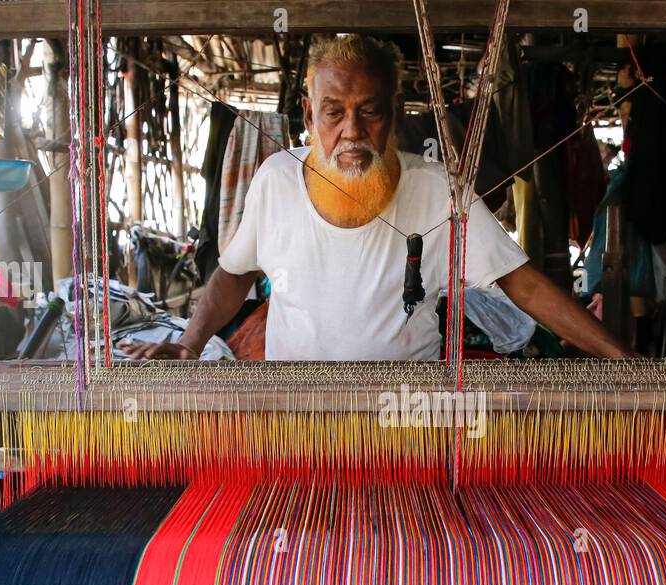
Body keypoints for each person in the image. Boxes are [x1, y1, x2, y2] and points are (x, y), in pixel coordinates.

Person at [121, 34, 633, 362]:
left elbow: (522, 283)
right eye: (333, 112)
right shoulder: (276, 180)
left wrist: (621, 360)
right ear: (307, 113)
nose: (351, 131)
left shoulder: (437, 188)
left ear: (395, 111)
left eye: (370, 111)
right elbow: (234, 274)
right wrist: (189, 344)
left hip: (406, 420)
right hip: (296, 417)